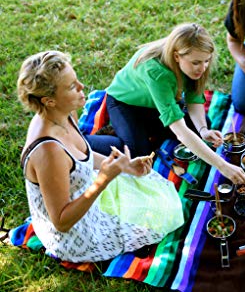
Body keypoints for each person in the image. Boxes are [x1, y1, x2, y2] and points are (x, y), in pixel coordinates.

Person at [17, 51, 185, 262]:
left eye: (76, 79)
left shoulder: (64, 111)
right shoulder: (48, 152)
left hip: (86, 192)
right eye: (71, 86)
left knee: (160, 199)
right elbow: (61, 222)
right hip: (75, 235)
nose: (81, 87)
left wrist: (126, 167)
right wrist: (102, 181)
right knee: (159, 216)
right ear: (49, 100)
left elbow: (81, 157)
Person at [86, 23, 245, 185]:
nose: (203, 68)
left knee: (200, 129)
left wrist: (203, 130)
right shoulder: (157, 71)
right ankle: (84, 141)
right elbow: (181, 132)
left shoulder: (192, 59)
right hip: (125, 104)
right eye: (196, 63)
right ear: (177, 56)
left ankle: (138, 129)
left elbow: (194, 97)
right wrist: (222, 166)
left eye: (206, 61)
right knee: (138, 154)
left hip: (156, 102)